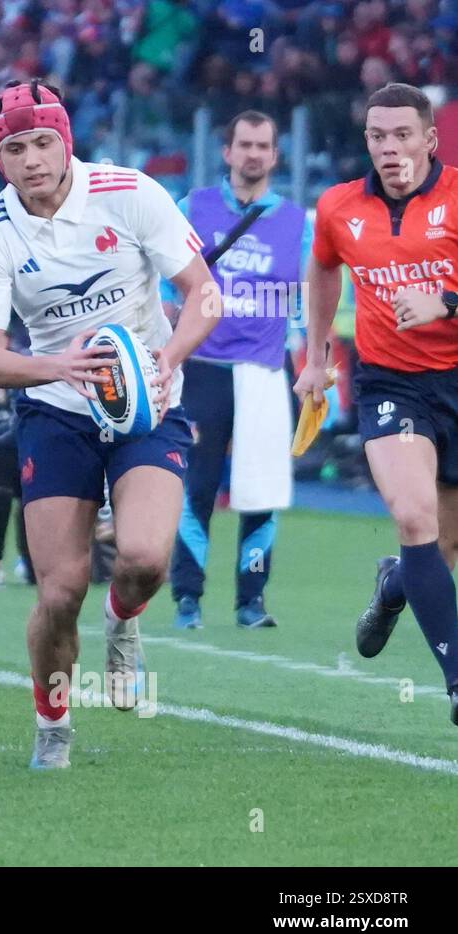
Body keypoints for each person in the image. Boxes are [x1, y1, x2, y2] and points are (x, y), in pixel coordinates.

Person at [0, 79, 221, 769]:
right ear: (0, 157)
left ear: (66, 141)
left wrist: (167, 357)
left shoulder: (129, 192)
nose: (32, 159)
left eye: (44, 142)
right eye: (15, 148)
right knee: (62, 589)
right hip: (57, 410)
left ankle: (125, 623)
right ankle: (53, 723)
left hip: (148, 404)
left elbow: (204, 294)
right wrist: (59, 369)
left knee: (142, 560)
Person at [296, 83, 458, 724]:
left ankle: (394, 586)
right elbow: (324, 268)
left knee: (440, 547)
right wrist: (316, 357)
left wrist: (447, 302)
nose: (389, 149)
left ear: (429, 139)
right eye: (377, 137)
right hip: (392, 384)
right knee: (417, 519)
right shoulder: (340, 207)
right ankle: (456, 682)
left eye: (401, 136)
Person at [166, 110, 311, 629]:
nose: (253, 154)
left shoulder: (299, 223)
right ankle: (188, 597)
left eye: (263, 146)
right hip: (203, 368)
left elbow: (309, 302)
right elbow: (165, 288)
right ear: (226, 152)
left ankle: (251, 601)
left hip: (265, 372)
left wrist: (313, 365)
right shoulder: (193, 207)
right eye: (244, 144)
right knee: (197, 487)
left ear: (275, 155)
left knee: (261, 491)